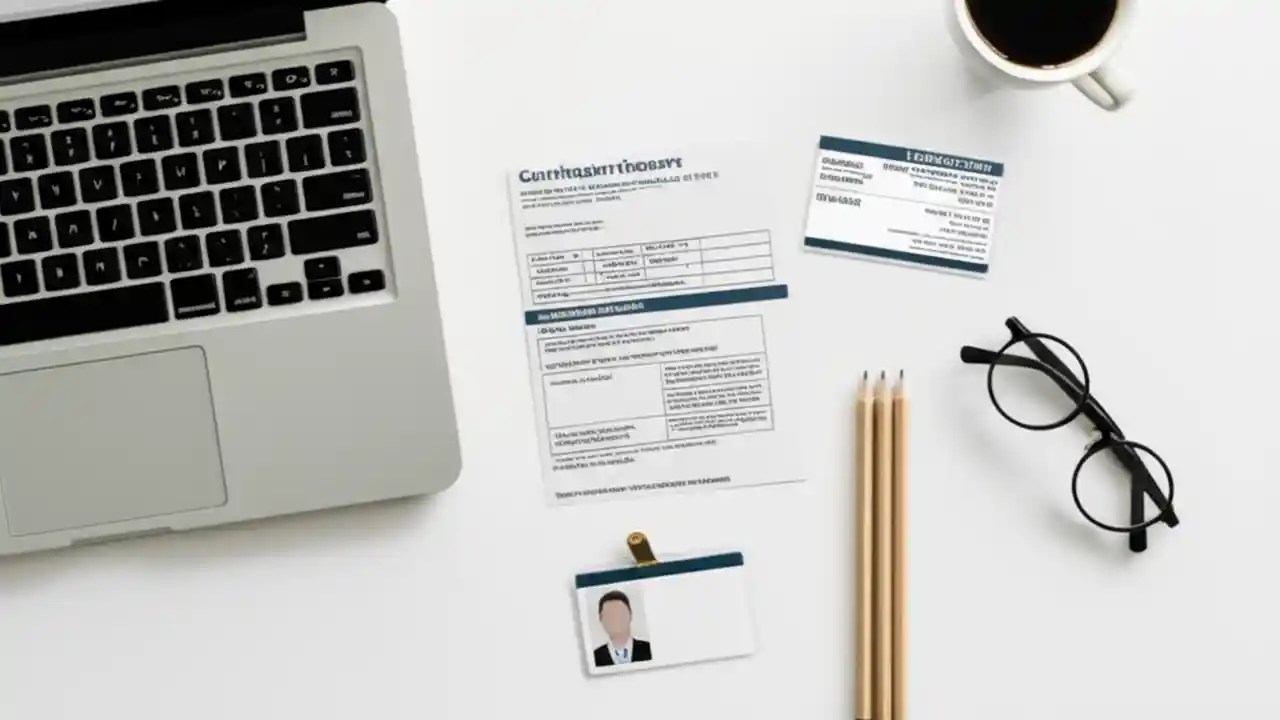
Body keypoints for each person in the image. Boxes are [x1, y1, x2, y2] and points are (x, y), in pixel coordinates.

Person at [592, 590, 652, 667]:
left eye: (620, 613)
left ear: (630, 615)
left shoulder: (649, 650)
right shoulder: (594, 658)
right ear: (601, 619)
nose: (615, 619)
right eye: (609, 615)